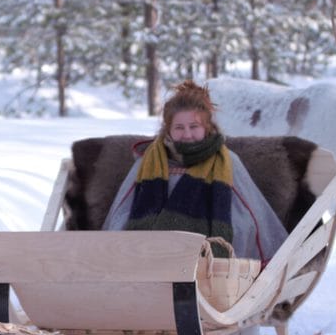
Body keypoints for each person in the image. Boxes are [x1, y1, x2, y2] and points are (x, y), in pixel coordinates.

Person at [103, 80, 287, 262]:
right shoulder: (149, 161)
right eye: (179, 127)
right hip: (151, 252)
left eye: (194, 127)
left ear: (207, 128)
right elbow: (122, 210)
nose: (187, 134)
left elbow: (253, 214)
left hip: (208, 250)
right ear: (168, 130)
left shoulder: (226, 161)